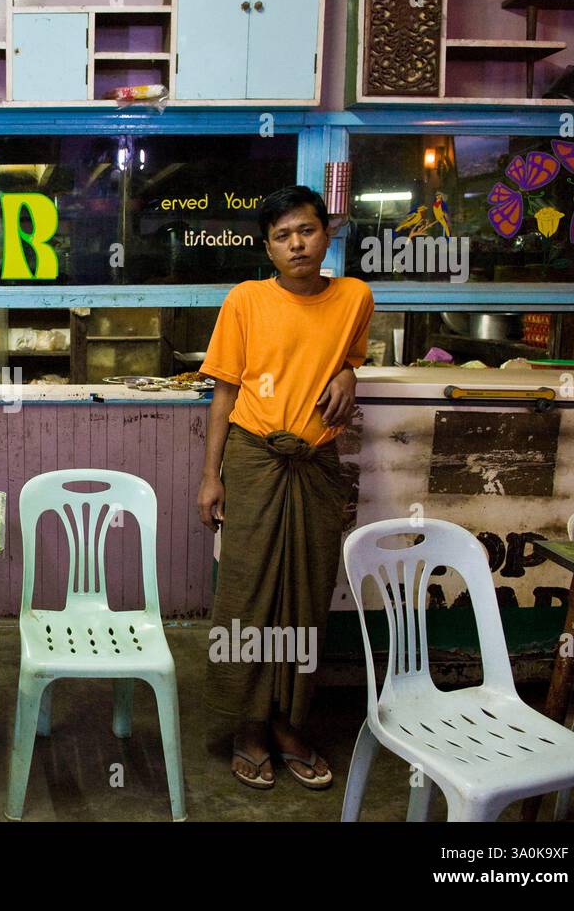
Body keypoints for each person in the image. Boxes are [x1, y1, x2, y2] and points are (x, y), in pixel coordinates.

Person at [196, 185, 374, 791]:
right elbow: (224, 392)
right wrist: (210, 476)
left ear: (327, 234)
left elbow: (344, 356)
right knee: (247, 596)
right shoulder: (246, 300)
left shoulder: (355, 297)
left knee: (305, 596)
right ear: (268, 249)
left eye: (306, 230)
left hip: (317, 464)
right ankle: (247, 725)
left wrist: (349, 371)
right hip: (253, 460)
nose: (297, 243)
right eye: (282, 235)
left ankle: (289, 723)